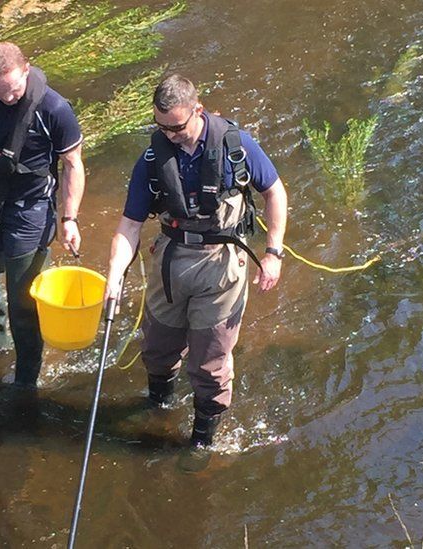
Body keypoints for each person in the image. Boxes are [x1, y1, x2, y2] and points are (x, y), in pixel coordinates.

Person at [104, 74, 288, 449]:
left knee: (208, 363)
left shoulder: (237, 146)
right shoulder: (152, 160)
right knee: (156, 350)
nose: (170, 134)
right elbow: (130, 224)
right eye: (161, 127)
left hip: (222, 264)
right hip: (171, 262)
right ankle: (159, 407)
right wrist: (114, 275)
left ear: (197, 111)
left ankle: (202, 442)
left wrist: (273, 253)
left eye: (177, 126)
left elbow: (274, 192)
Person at [0, 42, 85, 388]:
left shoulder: (54, 109)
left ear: (26, 70)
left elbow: (73, 164)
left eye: (14, 89)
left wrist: (69, 218)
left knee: (23, 304)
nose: (7, 97)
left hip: (32, 206)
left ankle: (26, 379)